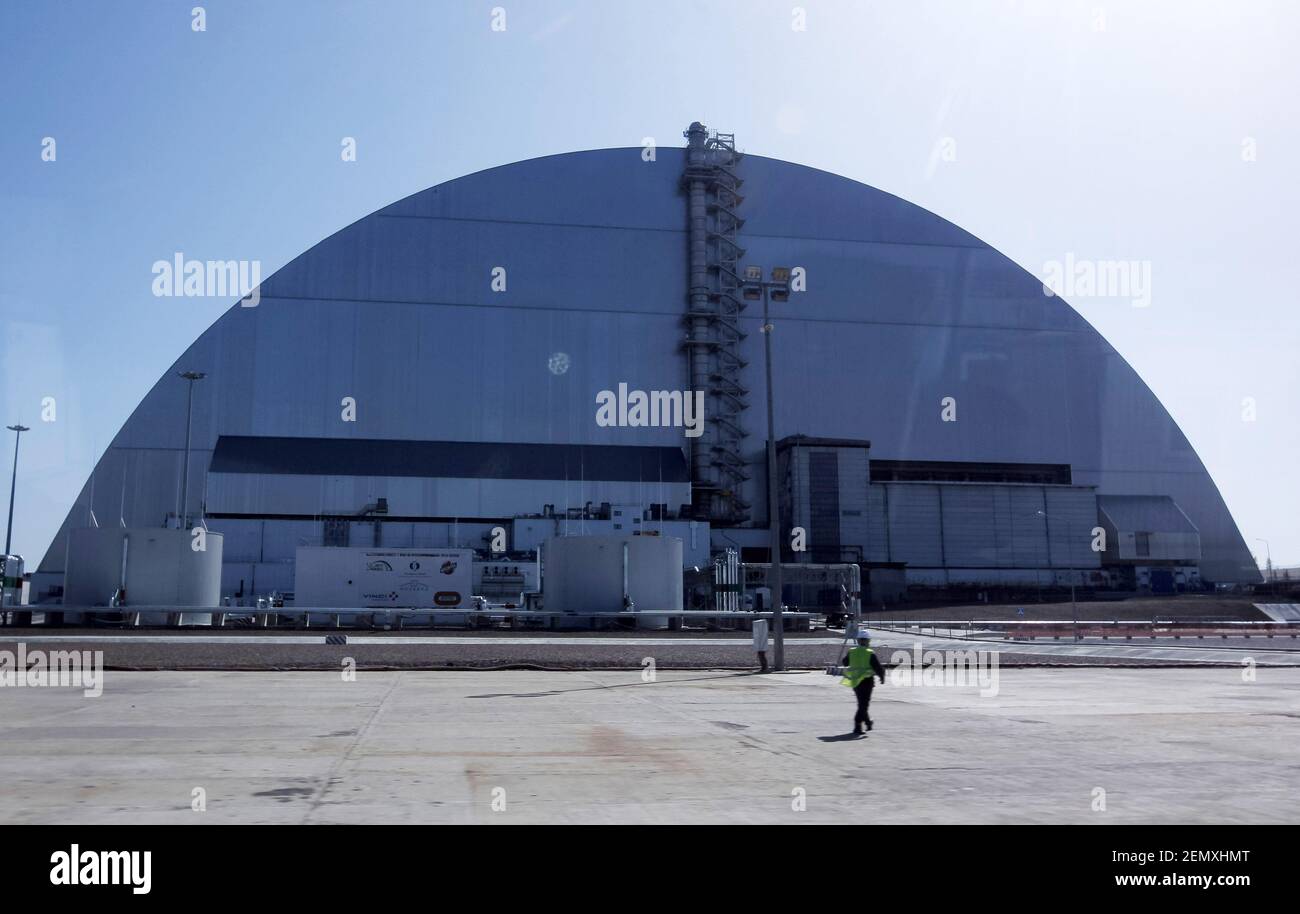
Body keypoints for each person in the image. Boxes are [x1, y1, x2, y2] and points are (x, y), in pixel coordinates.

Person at [840, 632, 886, 734]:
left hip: (855, 681)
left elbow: (845, 662)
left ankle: (868, 722)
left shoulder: (851, 651)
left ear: (858, 640)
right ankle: (857, 725)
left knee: (862, 703)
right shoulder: (869, 652)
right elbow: (877, 667)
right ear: (867, 641)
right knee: (863, 704)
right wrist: (882, 677)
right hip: (866, 681)